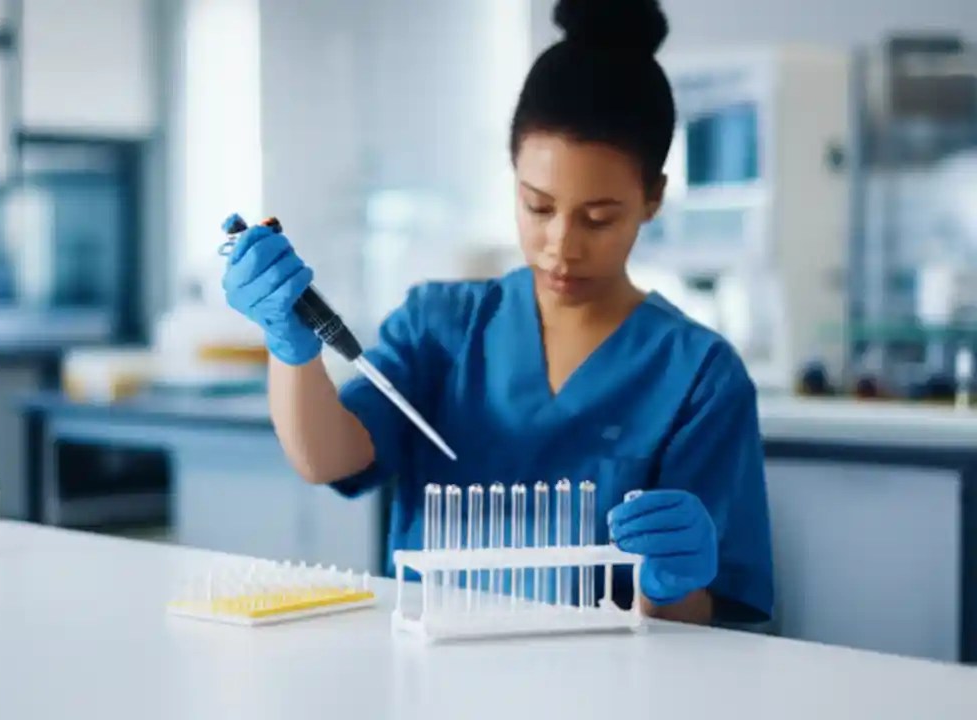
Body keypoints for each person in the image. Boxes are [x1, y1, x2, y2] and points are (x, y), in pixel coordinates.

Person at [220, 0, 772, 625]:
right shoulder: (442, 328)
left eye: (598, 218)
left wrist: (671, 583)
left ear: (653, 199)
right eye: (538, 207)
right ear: (512, 176)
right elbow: (328, 458)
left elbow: (696, 624)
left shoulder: (700, 377)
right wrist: (290, 349)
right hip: (434, 680)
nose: (561, 244)